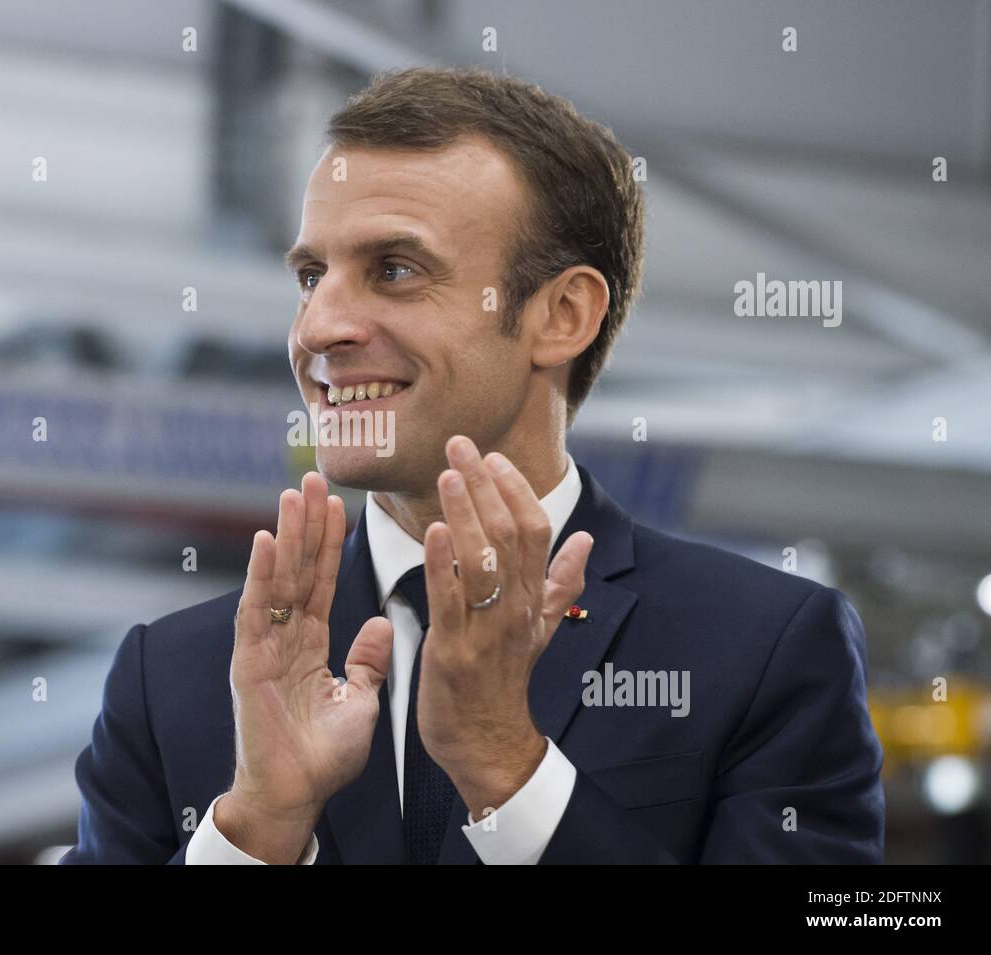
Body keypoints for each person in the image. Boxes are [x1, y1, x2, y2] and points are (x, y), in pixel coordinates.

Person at [60, 67, 884, 864]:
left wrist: (509, 771)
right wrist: (256, 831)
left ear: (562, 315)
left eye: (395, 269)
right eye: (312, 275)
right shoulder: (170, 679)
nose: (319, 327)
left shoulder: (762, 647)